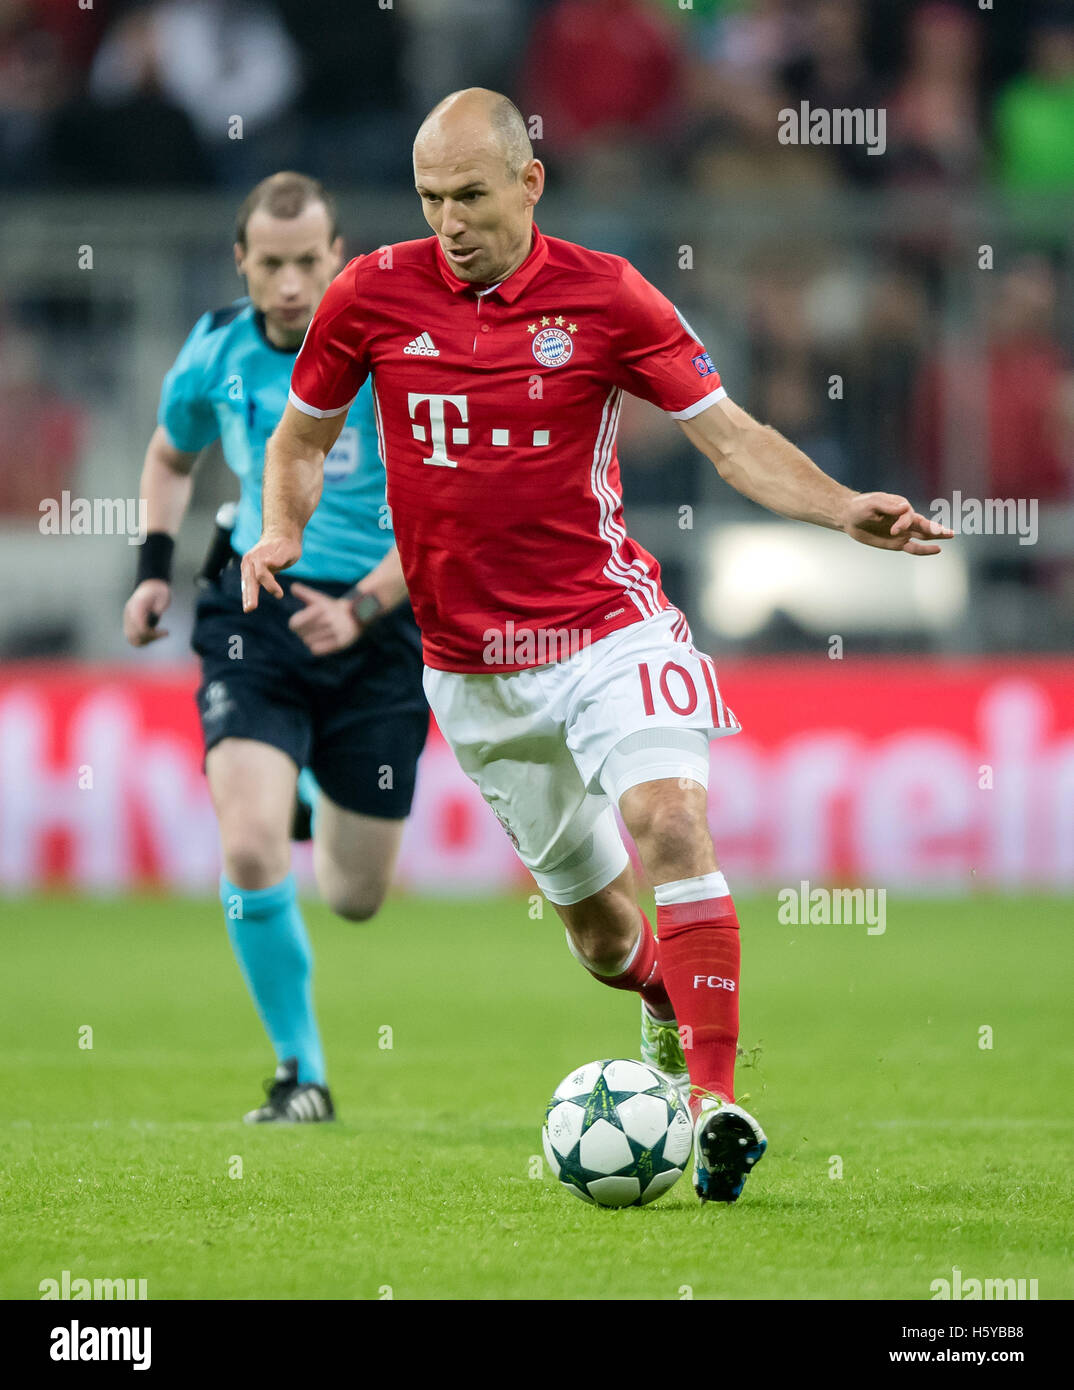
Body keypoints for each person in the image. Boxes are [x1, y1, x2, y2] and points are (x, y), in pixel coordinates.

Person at [242, 92, 951, 1202]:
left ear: (530, 183)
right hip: (471, 670)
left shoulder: (608, 295)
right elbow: (301, 439)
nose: (450, 222)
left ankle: (716, 1106)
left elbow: (733, 441)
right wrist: (283, 525)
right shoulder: (370, 292)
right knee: (601, 934)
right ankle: (666, 1006)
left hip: (606, 626)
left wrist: (840, 506)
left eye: (471, 195)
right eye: (432, 199)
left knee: (668, 815)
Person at [123, 172, 427, 1123]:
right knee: (251, 850)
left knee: (353, 894)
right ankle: (303, 1075)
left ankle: (301, 786)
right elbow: (172, 454)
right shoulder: (213, 350)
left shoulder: (394, 353)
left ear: (338, 259)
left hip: (382, 626)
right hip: (254, 607)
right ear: (243, 264)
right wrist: (154, 567)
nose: (292, 285)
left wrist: (371, 606)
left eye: (309, 262)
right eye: (273, 264)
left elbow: (452, 506)